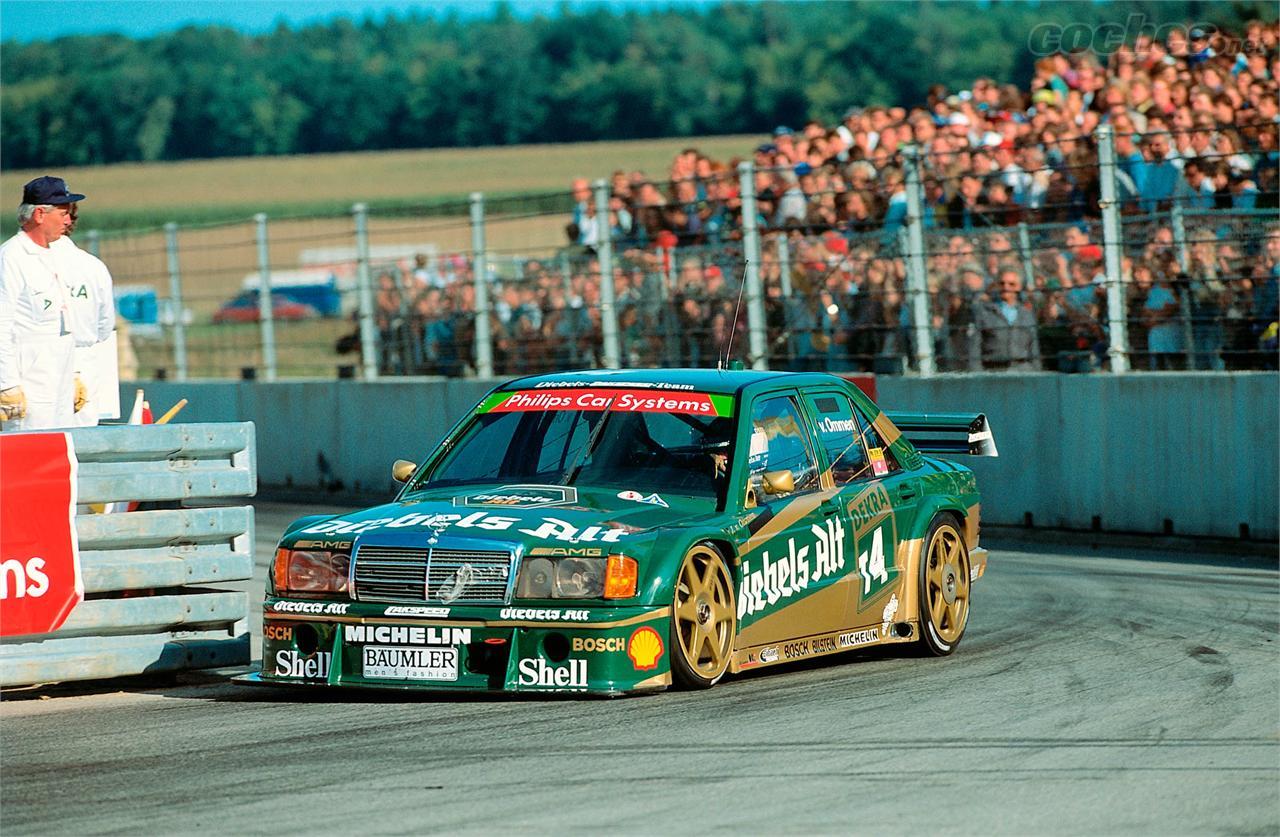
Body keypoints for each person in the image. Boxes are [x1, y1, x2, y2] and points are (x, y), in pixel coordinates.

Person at [0, 176, 84, 430]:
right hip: (30, 381)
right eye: (62, 213)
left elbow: (68, 322)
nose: (69, 221)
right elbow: (2, 324)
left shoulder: (59, 252)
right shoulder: (12, 257)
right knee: (31, 452)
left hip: (60, 374)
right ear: (39, 214)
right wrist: (7, 383)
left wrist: (75, 372)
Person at [52, 201, 116, 426]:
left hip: (37, 361)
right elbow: (105, 326)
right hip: (85, 357)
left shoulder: (14, 260)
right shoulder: (93, 266)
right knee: (84, 443)